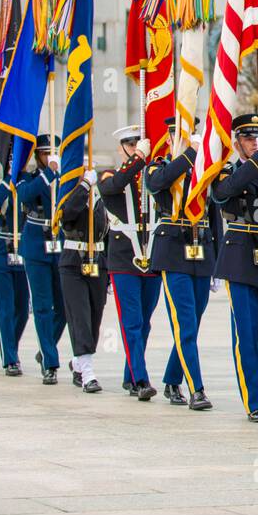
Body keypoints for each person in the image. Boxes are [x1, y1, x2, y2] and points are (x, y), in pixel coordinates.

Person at [209, 112, 258, 422]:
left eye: (257, 137)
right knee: (246, 330)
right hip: (239, 256)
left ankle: (249, 371)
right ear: (236, 141)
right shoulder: (226, 170)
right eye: (248, 138)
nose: (254, 142)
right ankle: (254, 399)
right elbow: (222, 194)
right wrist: (257, 162)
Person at [146, 117, 220, 411]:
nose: (189, 138)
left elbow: (212, 213)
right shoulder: (160, 164)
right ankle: (196, 389)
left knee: (193, 323)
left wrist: (217, 263)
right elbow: (156, 184)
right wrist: (189, 154)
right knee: (185, 323)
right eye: (182, 134)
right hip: (172, 251)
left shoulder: (203, 167)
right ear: (171, 136)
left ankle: (171, 377)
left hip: (201, 250)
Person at [97, 125, 159, 400]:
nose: (135, 148)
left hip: (151, 255)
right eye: (130, 144)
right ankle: (141, 379)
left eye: (139, 144)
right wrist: (138, 161)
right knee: (131, 321)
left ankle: (130, 373)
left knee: (144, 323)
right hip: (123, 258)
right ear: (122, 147)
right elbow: (113, 187)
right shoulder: (112, 174)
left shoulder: (151, 177)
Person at [16, 133, 67, 384]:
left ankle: (47, 346)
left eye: (53, 153)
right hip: (36, 243)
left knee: (65, 306)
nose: (49, 157)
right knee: (43, 306)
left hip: (61, 243)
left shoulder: (66, 176)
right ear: (38, 156)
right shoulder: (31, 176)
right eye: (45, 153)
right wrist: (50, 174)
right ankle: (50, 362)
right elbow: (24, 195)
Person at [57, 166, 108, 393]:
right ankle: (87, 373)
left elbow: (109, 235)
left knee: (95, 318)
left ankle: (78, 362)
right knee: (81, 318)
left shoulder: (101, 200)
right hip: (73, 263)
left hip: (98, 262)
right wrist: (83, 187)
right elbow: (67, 215)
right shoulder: (69, 195)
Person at [0, 157, 31, 376]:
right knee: (5, 307)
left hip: (23, 245)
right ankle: (10, 358)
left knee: (22, 308)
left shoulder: (27, 182)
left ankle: (11, 344)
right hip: (1, 247)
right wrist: (8, 180)